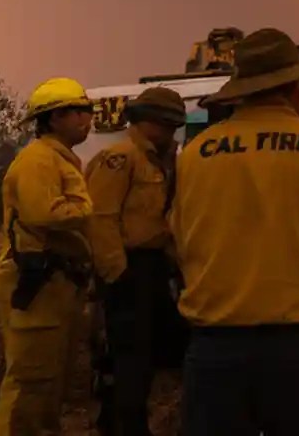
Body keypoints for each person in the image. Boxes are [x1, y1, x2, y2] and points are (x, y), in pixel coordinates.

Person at [170, 28, 299, 436]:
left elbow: (180, 242)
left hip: (214, 354)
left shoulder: (194, 155)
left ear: (240, 92)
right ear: (297, 89)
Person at [85, 86, 191, 436]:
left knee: (155, 356)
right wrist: (117, 275)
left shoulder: (165, 159)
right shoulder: (120, 158)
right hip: (129, 269)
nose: (170, 132)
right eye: (165, 124)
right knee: (129, 362)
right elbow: (101, 219)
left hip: (157, 266)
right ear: (145, 121)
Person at [0, 77, 95, 435]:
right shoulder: (38, 160)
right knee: (32, 381)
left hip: (53, 284)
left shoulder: (58, 158)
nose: (87, 118)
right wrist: (86, 205)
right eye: (77, 112)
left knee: (49, 380)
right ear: (53, 119)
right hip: (35, 282)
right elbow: (45, 213)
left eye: (88, 110)